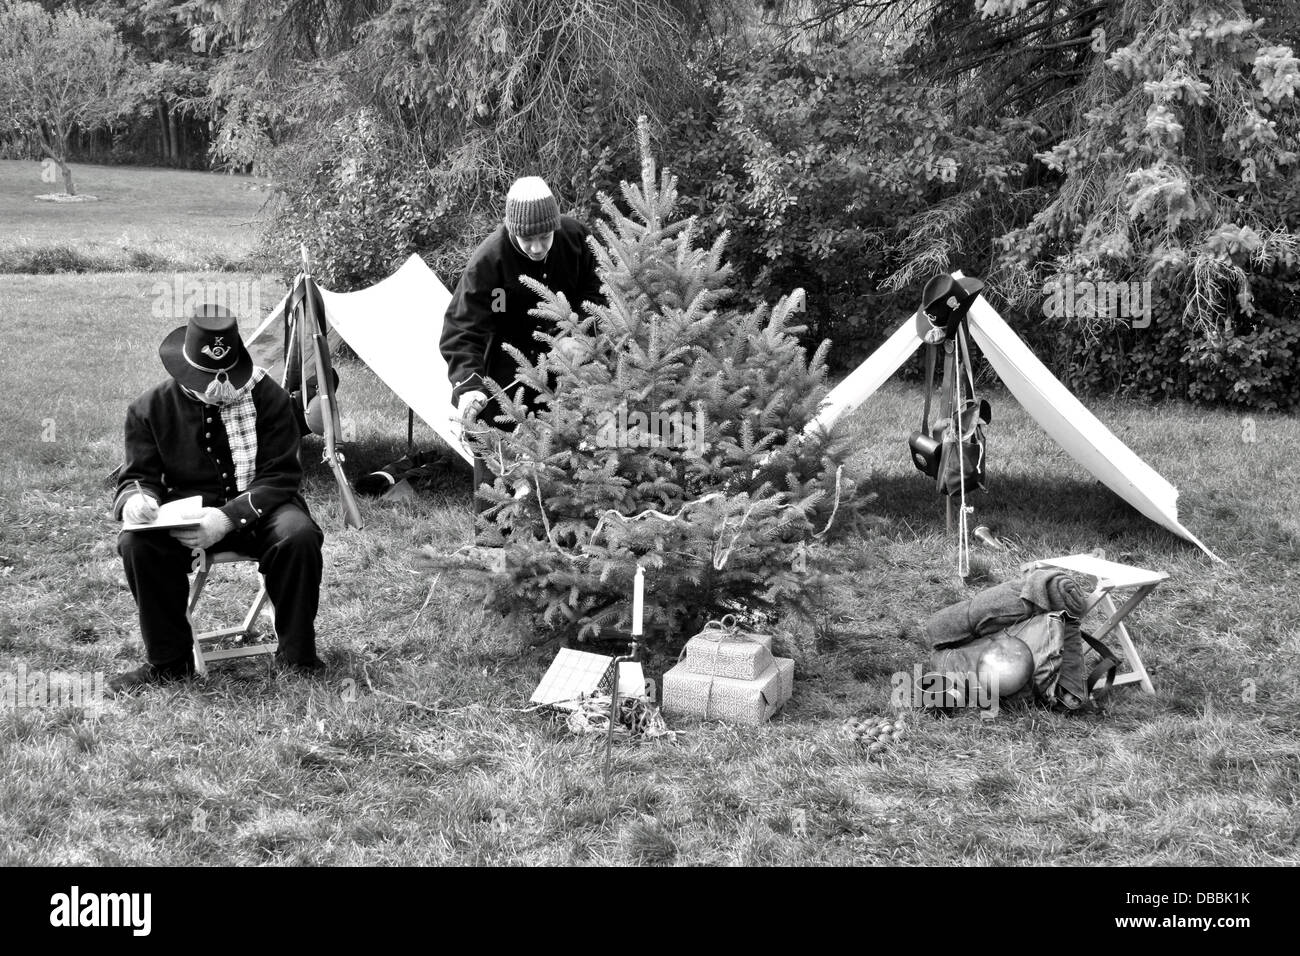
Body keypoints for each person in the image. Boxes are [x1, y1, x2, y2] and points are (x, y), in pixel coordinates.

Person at [111, 303, 324, 691]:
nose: (216, 388)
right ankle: (170, 663)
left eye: (224, 376)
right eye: (203, 378)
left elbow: (281, 476)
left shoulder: (268, 397)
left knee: (300, 535)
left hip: (262, 510)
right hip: (184, 525)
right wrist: (136, 500)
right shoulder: (148, 409)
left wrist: (225, 518)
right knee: (136, 543)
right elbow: (137, 478)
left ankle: (298, 657)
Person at [440, 176, 603, 512]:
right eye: (527, 238)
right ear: (511, 229)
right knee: (496, 474)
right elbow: (461, 331)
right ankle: (492, 553)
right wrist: (468, 387)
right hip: (503, 381)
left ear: (555, 226)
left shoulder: (576, 240)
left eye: (544, 236)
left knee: (568, 467)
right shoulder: (488, 262)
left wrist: (581, 337)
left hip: (565, 377)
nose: (537, 247)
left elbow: (599, 293)